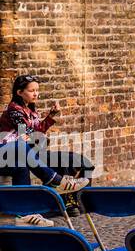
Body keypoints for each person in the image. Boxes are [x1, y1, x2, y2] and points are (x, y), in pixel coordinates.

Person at [0, 75, 89, 206]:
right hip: (5, 151)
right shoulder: (14, 110)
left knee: (25, 165)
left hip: (20, 153)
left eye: (37, 90)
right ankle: (54, 181)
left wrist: (51, 115)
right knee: (22, 147)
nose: (36, 94)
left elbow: (36, 132)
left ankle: (26, 211)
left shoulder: (30, 110)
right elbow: (27, 134)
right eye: (32, 91)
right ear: (19, 92)